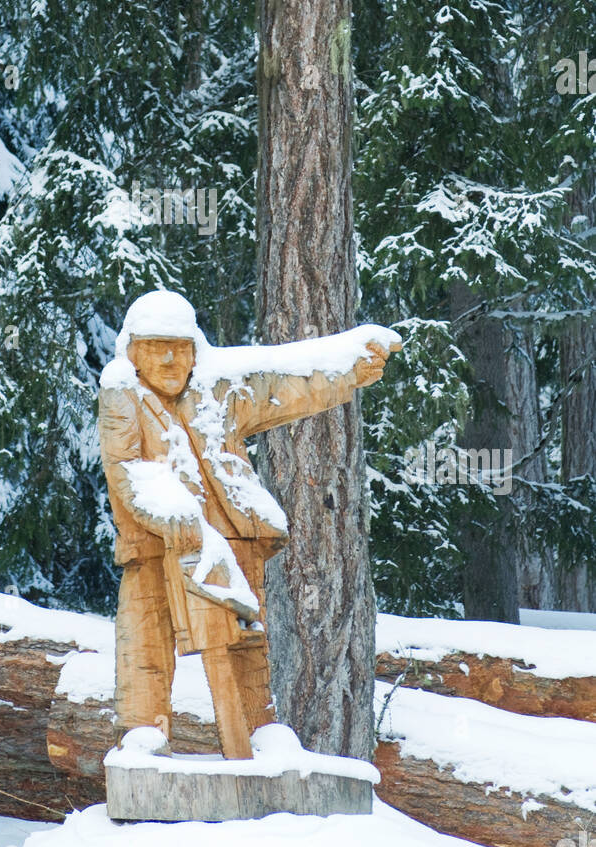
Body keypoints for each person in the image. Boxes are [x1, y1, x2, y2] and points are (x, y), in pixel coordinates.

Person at [97, 290, 401, 757]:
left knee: (244, 642)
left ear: (196, 347)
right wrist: (166, 512)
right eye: (158, 347)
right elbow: (126, 469)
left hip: (231, 540)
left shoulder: (218, 386)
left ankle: (259, 731)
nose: (171, 358)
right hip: (153, 546)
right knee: (145, 639)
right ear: (134, 350)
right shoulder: (122, 393)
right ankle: (144, 732)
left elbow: (286, 376)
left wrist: (351, 366)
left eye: (180, 346)